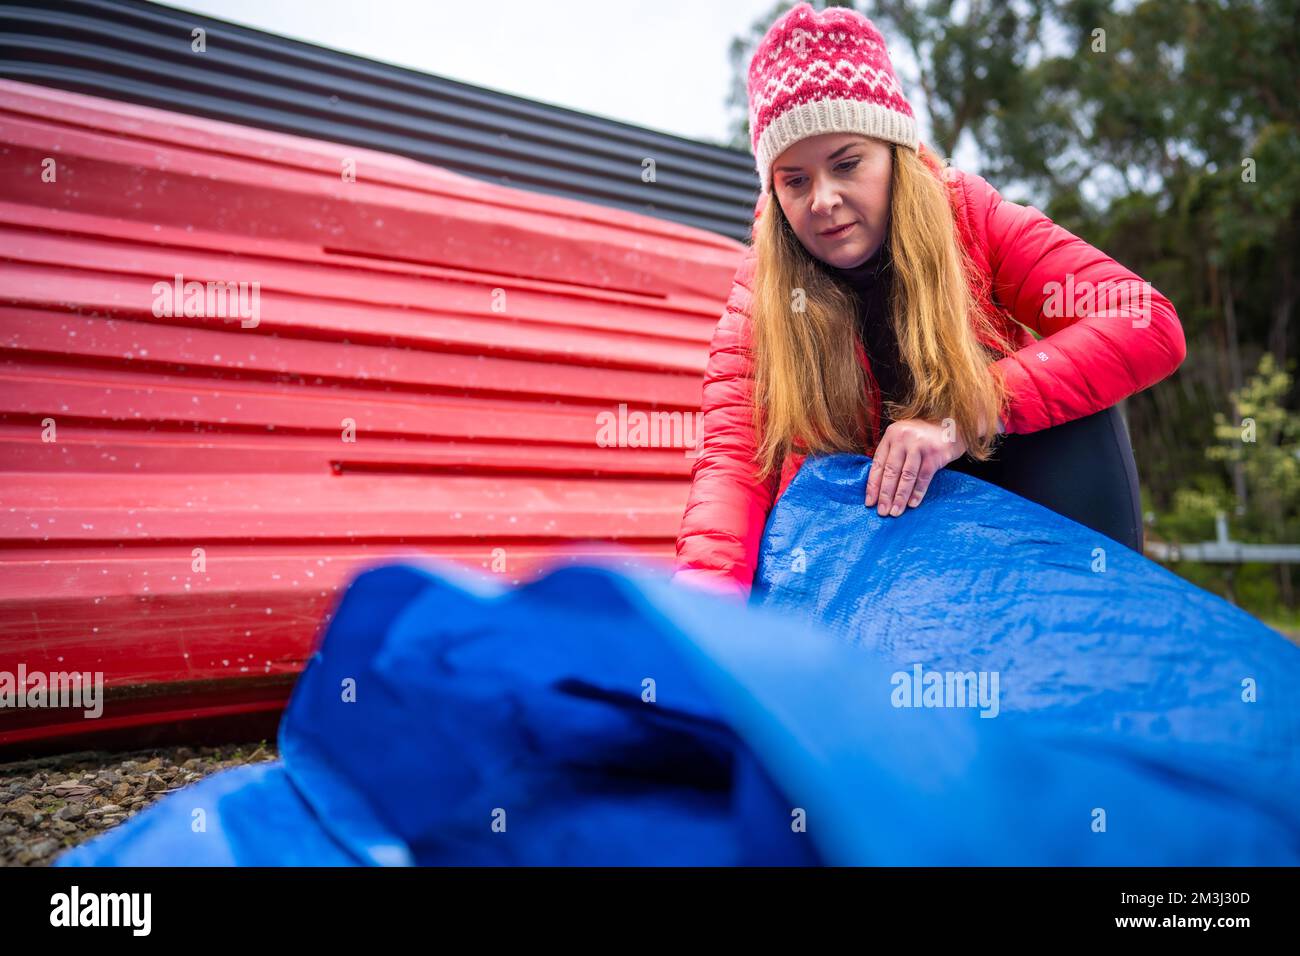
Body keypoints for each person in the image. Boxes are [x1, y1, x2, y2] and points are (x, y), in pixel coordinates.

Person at [673, 3, 1186, 599]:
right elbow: (733, 467)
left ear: (895, 154)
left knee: (1080, 411)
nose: (824, 199)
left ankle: (1093, 629)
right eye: (795, 180)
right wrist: (701, 623)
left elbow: (1146, 322)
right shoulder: (759, 295)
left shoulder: (969, 216)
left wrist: (966, 415)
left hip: (1003, 499)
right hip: (873, 543)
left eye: (846, 164)